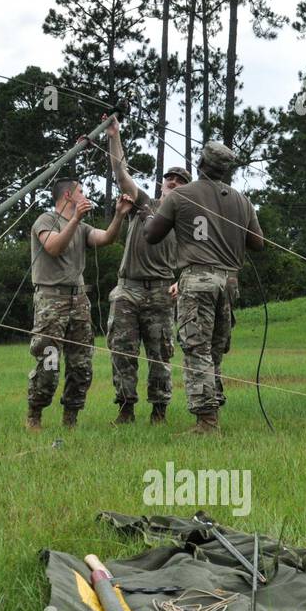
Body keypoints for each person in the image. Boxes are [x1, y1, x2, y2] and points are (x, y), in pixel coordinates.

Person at [145, 142, 263, 435]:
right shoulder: (242, 200)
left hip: (197, 278)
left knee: (196, 348)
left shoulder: (180, 195)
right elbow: (258, 243)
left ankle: (206, 422)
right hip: (229, 281)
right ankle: (212, 411)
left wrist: (162, 209)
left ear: (200, 164)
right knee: (214, 349)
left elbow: (151, 235)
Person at [26, 175, 130, 430]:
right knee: (49, 363)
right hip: (52, 300)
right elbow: (53, 247)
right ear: (68, 196)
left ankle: (70, 418)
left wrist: (118, 215)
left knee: (81, 364)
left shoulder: (81, 228)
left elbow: (106, 238)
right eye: (81, 191)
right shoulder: (46, 220)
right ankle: (35, 415)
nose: (85, 195)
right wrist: (75, 220)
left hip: (79, 301)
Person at [105, 118, 189, 425]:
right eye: (169, 178)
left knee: (160, 354)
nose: (173, 182)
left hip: (161, 291)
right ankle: (125, 409)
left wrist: (184, 281)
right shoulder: (144, 204)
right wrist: (115, 136)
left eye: (180, 181)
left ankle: (159, 412)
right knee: (122, 351)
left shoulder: (189, 222)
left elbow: (201, 256)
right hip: (128, 288)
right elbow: (120, 173)